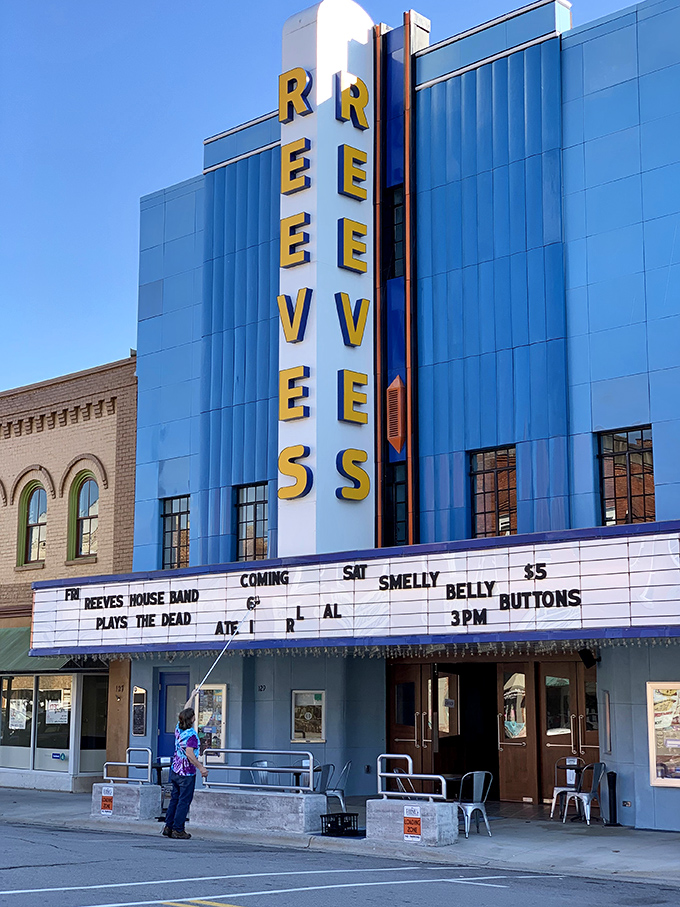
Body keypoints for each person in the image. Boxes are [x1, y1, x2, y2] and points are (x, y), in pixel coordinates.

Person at [162, 707, 208, 839]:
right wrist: (201, 768)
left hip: (175, 770)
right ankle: (178, 829)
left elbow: (183, 710)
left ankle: (168, 826)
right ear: (192, 719)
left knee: (174, 799)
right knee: (184, 801)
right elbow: (190, 754)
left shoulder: (179, 729)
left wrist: (193, 696)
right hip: (186, 773)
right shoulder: (192, 735)